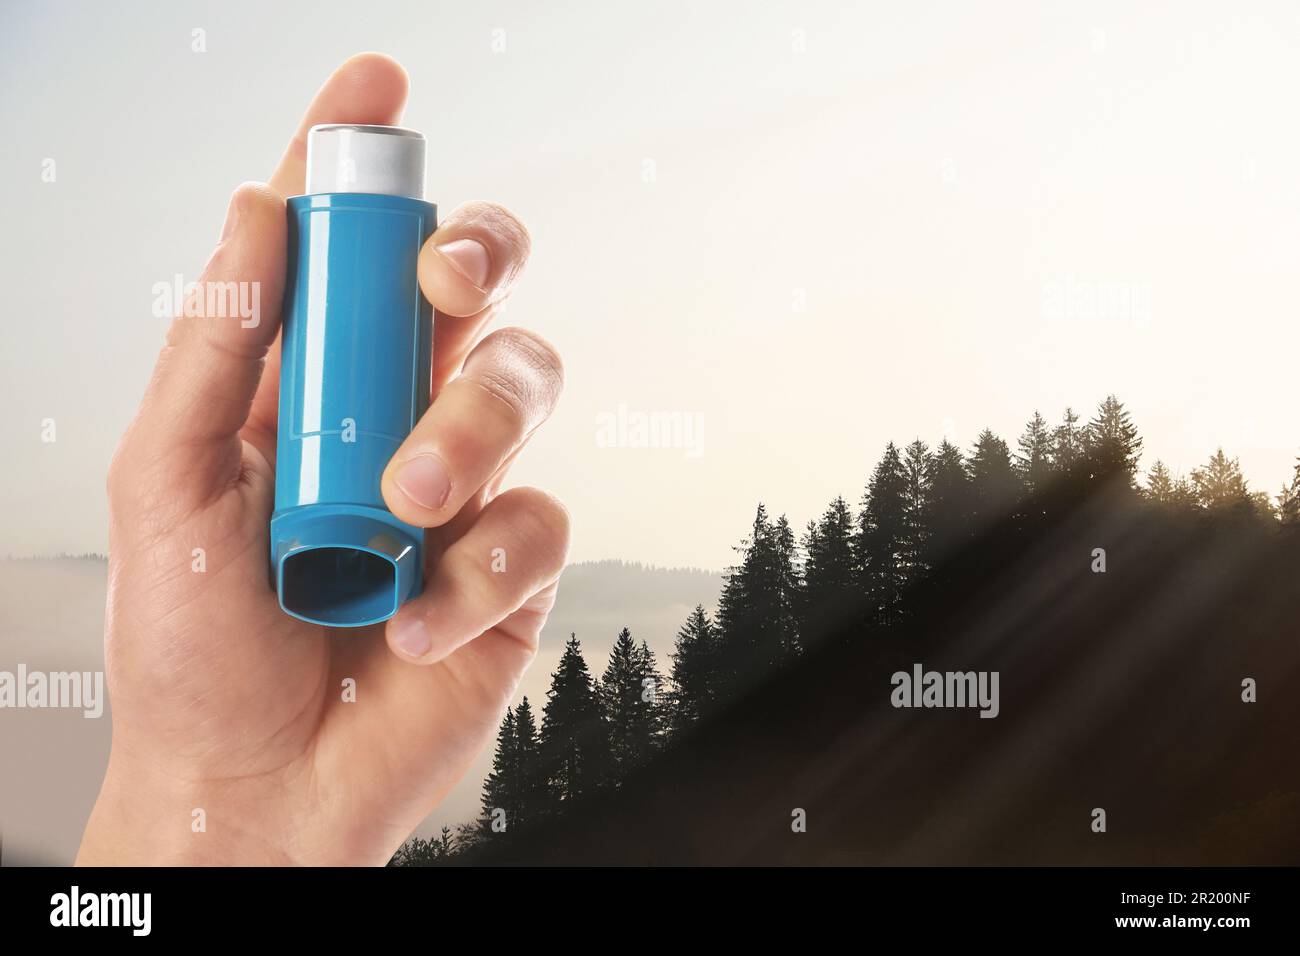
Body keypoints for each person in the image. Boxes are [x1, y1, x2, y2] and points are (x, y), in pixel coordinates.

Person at [76, 53, 569, 865]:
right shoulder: (311, 237)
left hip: (360, 550)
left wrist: (259, 820)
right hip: (330, 540)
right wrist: (203, 787)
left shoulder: (351, 235)